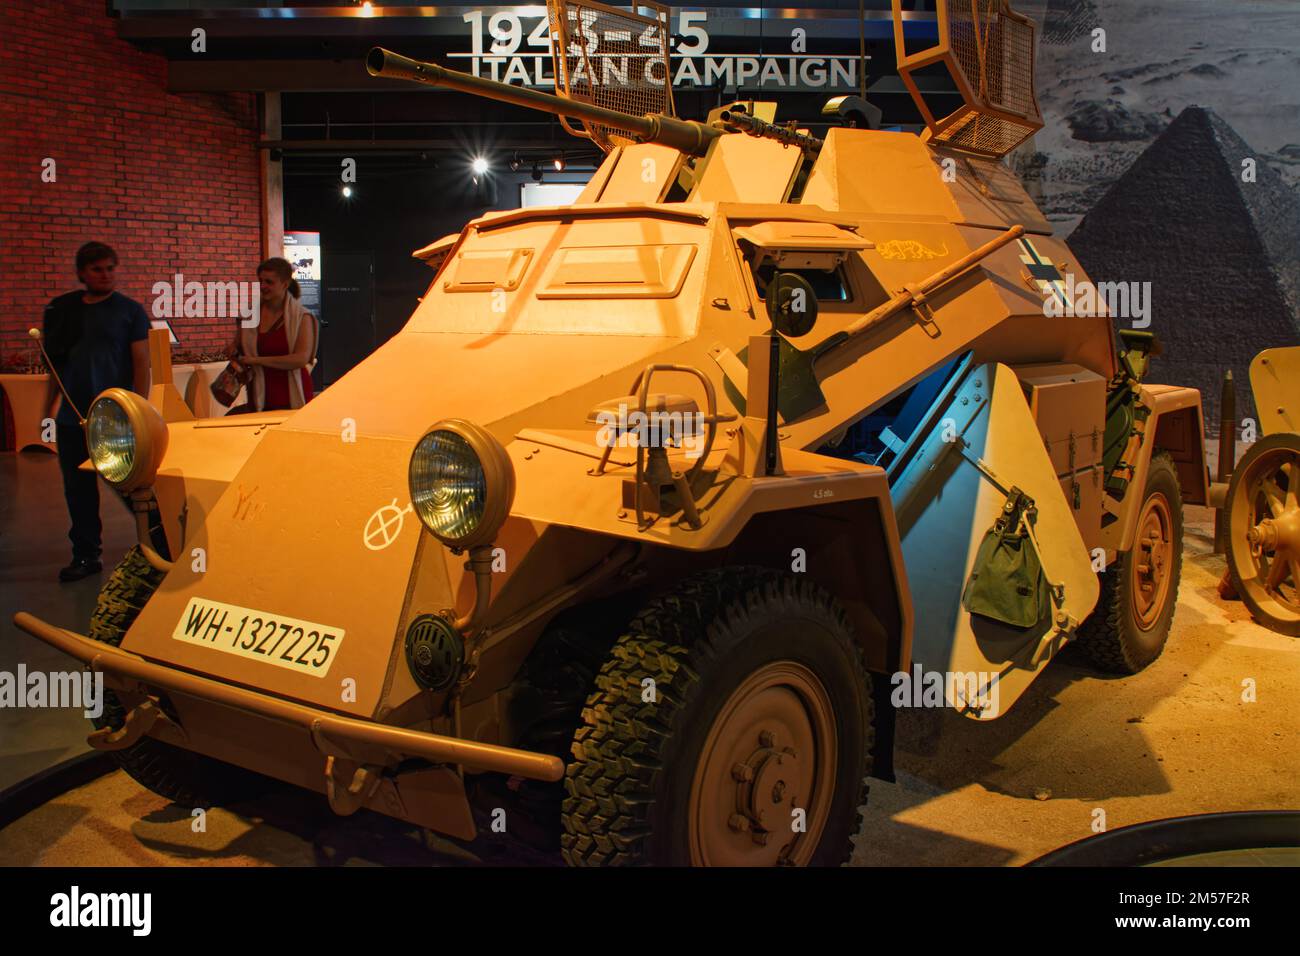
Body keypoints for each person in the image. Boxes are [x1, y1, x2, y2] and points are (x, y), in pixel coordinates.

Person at [42, 242, 150, 583]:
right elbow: (55, 367)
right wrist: (48, 409)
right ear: (81, 274)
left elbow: (141, 362)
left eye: (110, 268)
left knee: (131, 486)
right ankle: (86, 555)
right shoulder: (63, 311)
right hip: (72, 418)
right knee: (78, 489)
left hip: (115, 417)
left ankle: (160, 545)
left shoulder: (130, 311)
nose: (106, 275)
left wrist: (139, 408)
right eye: (97, 269)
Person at [230, 258, 317, 412]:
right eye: (261, 281)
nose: (263, 286)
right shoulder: (250, 315)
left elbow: (300, 358)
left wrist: (257, 360)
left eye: (269, 282)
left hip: (291, 393)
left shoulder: (302, 317)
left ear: (285, 284)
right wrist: (233, 351)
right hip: (258, 392)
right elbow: (238, 346)